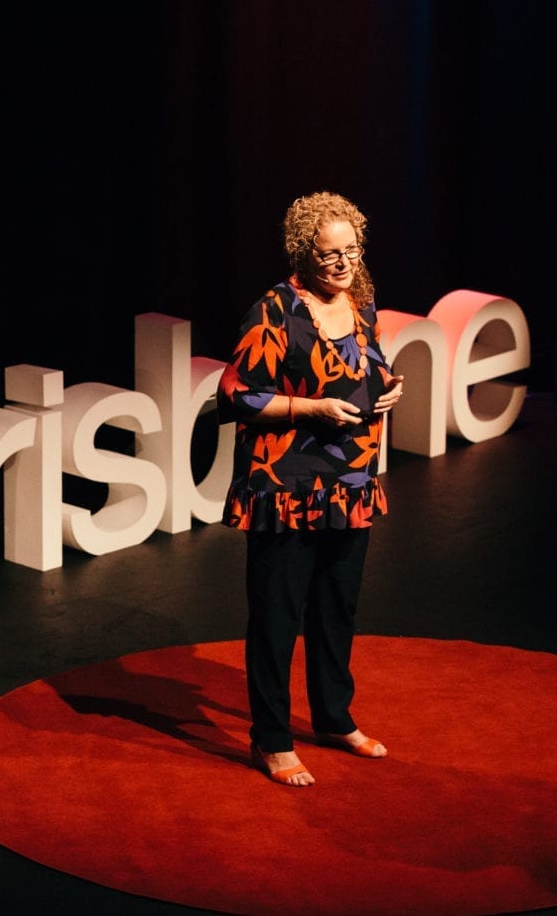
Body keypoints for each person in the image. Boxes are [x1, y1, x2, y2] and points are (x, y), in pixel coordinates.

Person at [217, 190, 405, 787]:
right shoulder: (274, 311)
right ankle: (270, 738)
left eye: (352, 250)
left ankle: (332, 717)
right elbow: (237, 395)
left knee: (336, 607)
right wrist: (311, 408)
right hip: (286, 484)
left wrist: (386, 389)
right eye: (330, 255)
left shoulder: (362, 302)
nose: (344, 264)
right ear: (304, 253)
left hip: (350, 479)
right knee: (277, 615)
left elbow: (365, 365)